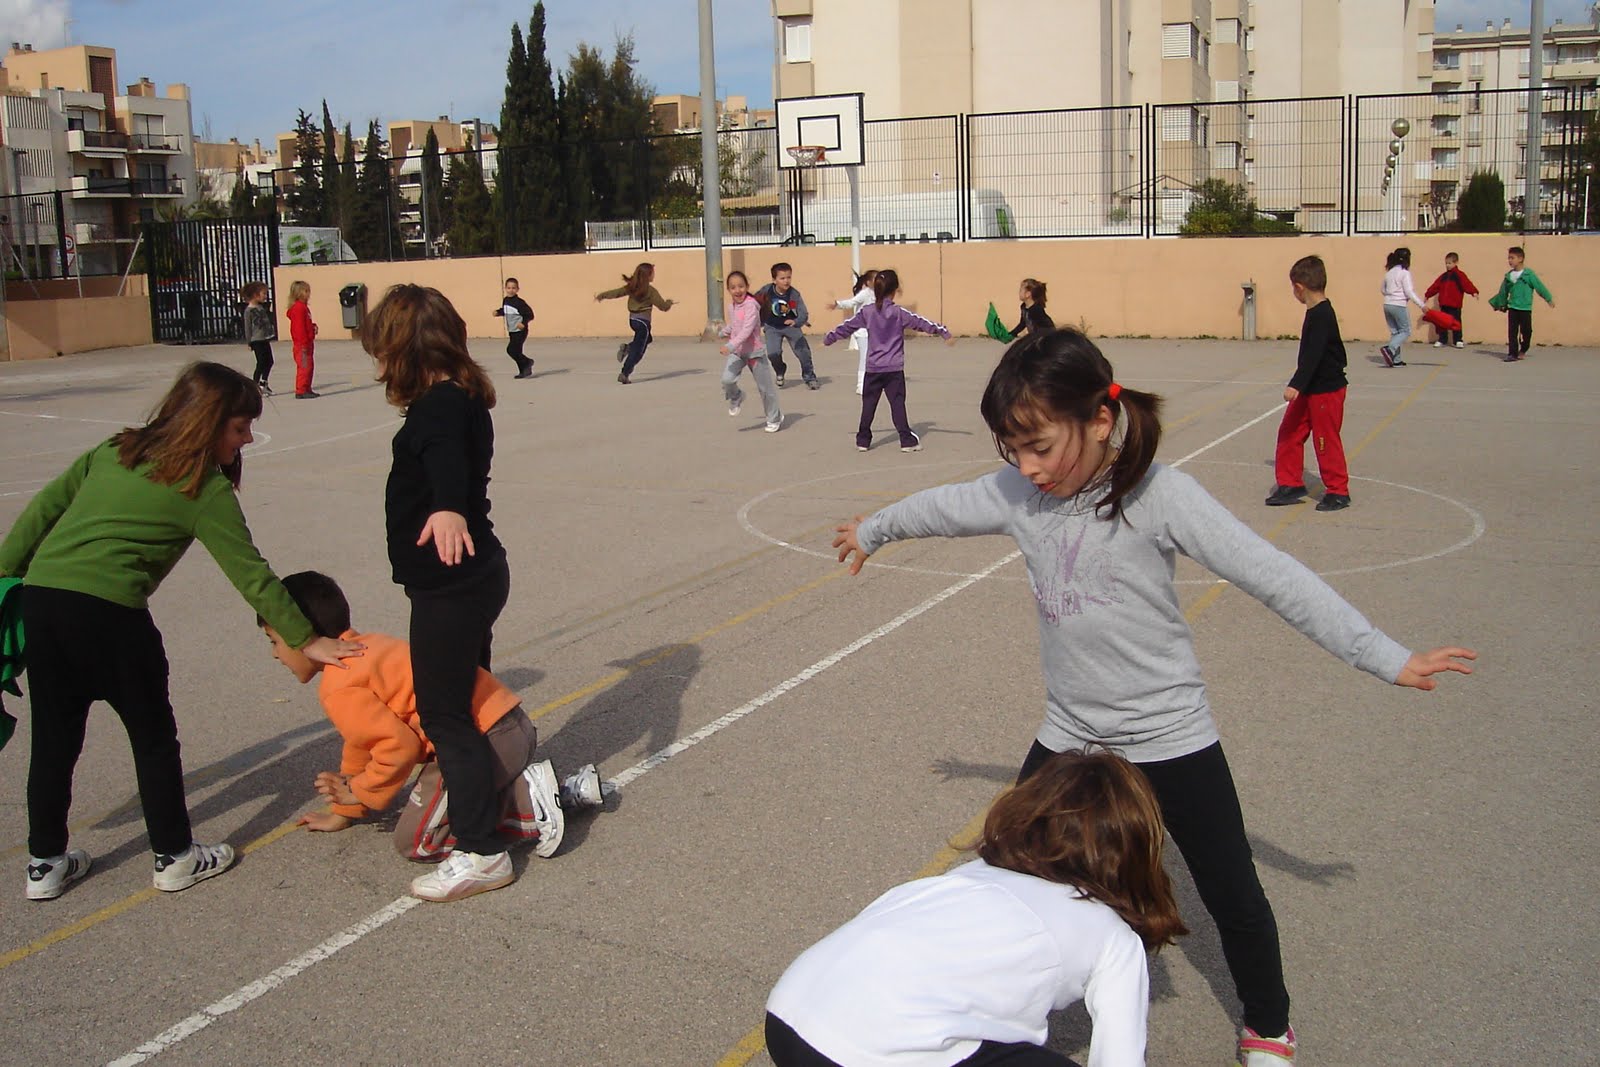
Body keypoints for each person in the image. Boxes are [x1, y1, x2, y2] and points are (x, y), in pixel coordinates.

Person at [831, 329, 1477, 1067]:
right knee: (1004, 866)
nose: (1029, 467)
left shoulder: (1159, 495)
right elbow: (944, 507)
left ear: (1100, 419)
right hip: (1071, 737)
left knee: (1231, 889)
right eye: (1013, 449)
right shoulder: (1018, 493)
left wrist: (1383, 655)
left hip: (1171, 735)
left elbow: (1273, 574)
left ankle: (1270, 1020)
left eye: (1040, 444)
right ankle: (992, 1001)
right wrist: (875, 529)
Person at [0, 361, 362, 901]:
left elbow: (42, 512)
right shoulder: (202, 487)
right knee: (152, 740)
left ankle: (44, 863)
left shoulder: (114, 450)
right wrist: (307, 638)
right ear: (208, 421)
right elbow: (250, 572)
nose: (244, 440)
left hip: (45, 606)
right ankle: (174, 856)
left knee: (55, 739)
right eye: (239, 428)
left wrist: (6, 570)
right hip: (112, 617)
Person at [765, 749, 1187, 1067]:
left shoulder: (972, 876)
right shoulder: (1112, 936)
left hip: (789, 1013)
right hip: (875, 1048)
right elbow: (1119, 1058)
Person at [261, 571, 602, 862]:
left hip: (485, 744)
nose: (275, 655)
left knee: (416, 840)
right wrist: (346, 807)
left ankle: (529, 805)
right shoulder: (368, 645)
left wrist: (363, 791)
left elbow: (398, 747)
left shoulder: (338, 686)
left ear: (301, 636)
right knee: (442, 805)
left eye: (275, 641)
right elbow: (362, 742)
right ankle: (561, 793)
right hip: (511, 727)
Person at [363, 284, 520, 903]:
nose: (374, 360)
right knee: (463, 704)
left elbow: (447, 462)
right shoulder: (454, 399)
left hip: (452, 586)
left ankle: (483, 851)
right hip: (466, 578)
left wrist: (450, 507)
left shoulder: (438, 410)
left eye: (379, 347)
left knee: (444, 713)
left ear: (402, 347)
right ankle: (490, 797)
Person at [823, 268, 952, 453]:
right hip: (893, 369)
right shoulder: (899, 312)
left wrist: (829, 339)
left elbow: (846, 327)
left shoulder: (867, 312)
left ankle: (863, 440)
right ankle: (906, 441)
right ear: (895, 290)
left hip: (873, 368)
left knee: (868, 405)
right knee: (897, 405)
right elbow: (923, 323)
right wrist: (943, 332)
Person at [1265, 255, 1352, 513]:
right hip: (1311, 387)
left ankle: (1338, 491)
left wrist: (1296, 384)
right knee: (1289, 432)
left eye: (1293, 288)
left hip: (1325, 389)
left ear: (1299, 287)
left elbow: (1314, 354)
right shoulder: (1314, 312)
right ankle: (1291, 484)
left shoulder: (1322, 314)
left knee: (1325, 440)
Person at [720, 270, 783, 433]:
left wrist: (730, 345)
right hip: (738, 352)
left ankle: (774, 417)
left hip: (754, 352)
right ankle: (736, 396)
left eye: (741, 286)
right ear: (728, 290)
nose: (737, 290)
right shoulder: (731, 306)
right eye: (733, 287)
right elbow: (735, 325)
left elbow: (747, 329)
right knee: (727, 380)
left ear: (747, 287)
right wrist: (724, 331)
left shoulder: (751, 305)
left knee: (765, 388)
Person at [596, 263, 674, 385]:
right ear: (648, 275)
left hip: (633, 321)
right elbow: (663, 307)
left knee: (647, 339)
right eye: (653, 273)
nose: (654, 275)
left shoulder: (632, 287)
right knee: (639, 351)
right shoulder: (651, 290)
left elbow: (616, 293)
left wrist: (603, 295)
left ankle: (627, 348)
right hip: (643, 323)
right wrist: (669, 303)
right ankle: (625, 373)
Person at [1488, 245, 1555, 364]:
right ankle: (1512, 354)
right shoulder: (1509, 276)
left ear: (1520, 258)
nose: (1509, 260)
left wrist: (1548, 298)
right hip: (1513, 307)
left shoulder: (1529, 275)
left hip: (1525, 308)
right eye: (1509, 258)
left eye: (1512, 258)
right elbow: (1503, 292)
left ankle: (1523, 349)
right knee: (1512, 332)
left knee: (1527, 331)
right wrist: (1499, 304)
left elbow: (1539, 287)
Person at [757, 262, 818, 389]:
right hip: (772, 327)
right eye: (782, 278)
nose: (786, 281)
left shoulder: (793, 294)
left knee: (803, 353)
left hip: (791, 326)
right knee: (773, 353)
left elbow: (803, 312)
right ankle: (780, 370)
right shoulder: (766, 291)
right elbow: (753, 303)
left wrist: (796, 321)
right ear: (774, 280)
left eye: (788, 277)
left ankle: (809, 377)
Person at [832, 269, 879, 396]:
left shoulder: (881, 294)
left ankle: (875, 383)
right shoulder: (865, 293)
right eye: (876, 279)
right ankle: (861, 385)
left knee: (876, 358)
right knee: (865, 357)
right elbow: (851, 302)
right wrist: (837, 304)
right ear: (869, 282)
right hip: (862, 331)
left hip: (875, 331)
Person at [1378, 247, 1427, 368]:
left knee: (1396, 332)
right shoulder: (1404, 273)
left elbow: (1382, 290)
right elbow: (1409, 292)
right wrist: (1422, 305)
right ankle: (1390, 349)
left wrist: (1390, 295)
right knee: (1405, 331)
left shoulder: (1389, 273)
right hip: (1399, 305)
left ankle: (1396, 360)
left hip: (1387, 305)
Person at [1423, 252, 1478, 349]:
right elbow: (1435, 286)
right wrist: (1428, 295)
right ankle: (1442, 339)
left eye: (1449, 263)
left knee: (1456, 322)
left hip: (1455, 304)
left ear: (1456, 262)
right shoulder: (1443, 276)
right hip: (1444, 304)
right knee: (1442, 323)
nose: (1447, 265)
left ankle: (1458, 340)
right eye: (1446, 263)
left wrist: (1473, 292)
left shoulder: (1459, 275)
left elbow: (1466, 284)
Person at [492, 277, 535, 380]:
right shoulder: (506, 300)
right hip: (512, 330)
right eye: (509, 288)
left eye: (513, 288)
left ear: (517, 289)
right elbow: (506, 310)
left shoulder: (520, 302)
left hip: (520, 331)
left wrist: (523, 323)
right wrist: (498, 312)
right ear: (505, 288)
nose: (511, 290)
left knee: (511, 350)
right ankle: (524, 371)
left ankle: (528, 362)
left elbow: (530, 314)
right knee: (517, 351)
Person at [286, 279, 320, 399]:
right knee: (304, 366)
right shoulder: (299, 308)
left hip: (307, 342)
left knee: (309, 366)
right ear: (298, 293)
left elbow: (306, 324)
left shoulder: (304, 308)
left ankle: (307, 387)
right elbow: (299, 328)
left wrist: (312, 327)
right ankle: (301, 390)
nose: (308, 294)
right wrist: (304, 342)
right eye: (306, 291)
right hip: (302, 344)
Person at [241, 282, 276, 395]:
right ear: (255, 295)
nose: (265, 296)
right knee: (261, 363)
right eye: (263, 294)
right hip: (256, 340)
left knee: (269, 361)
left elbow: (266, 322)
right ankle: (254, 385)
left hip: (265, 338)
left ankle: (263, 383)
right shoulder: (248, 311)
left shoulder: (261, 308)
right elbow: (247, 327)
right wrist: (249, 342)